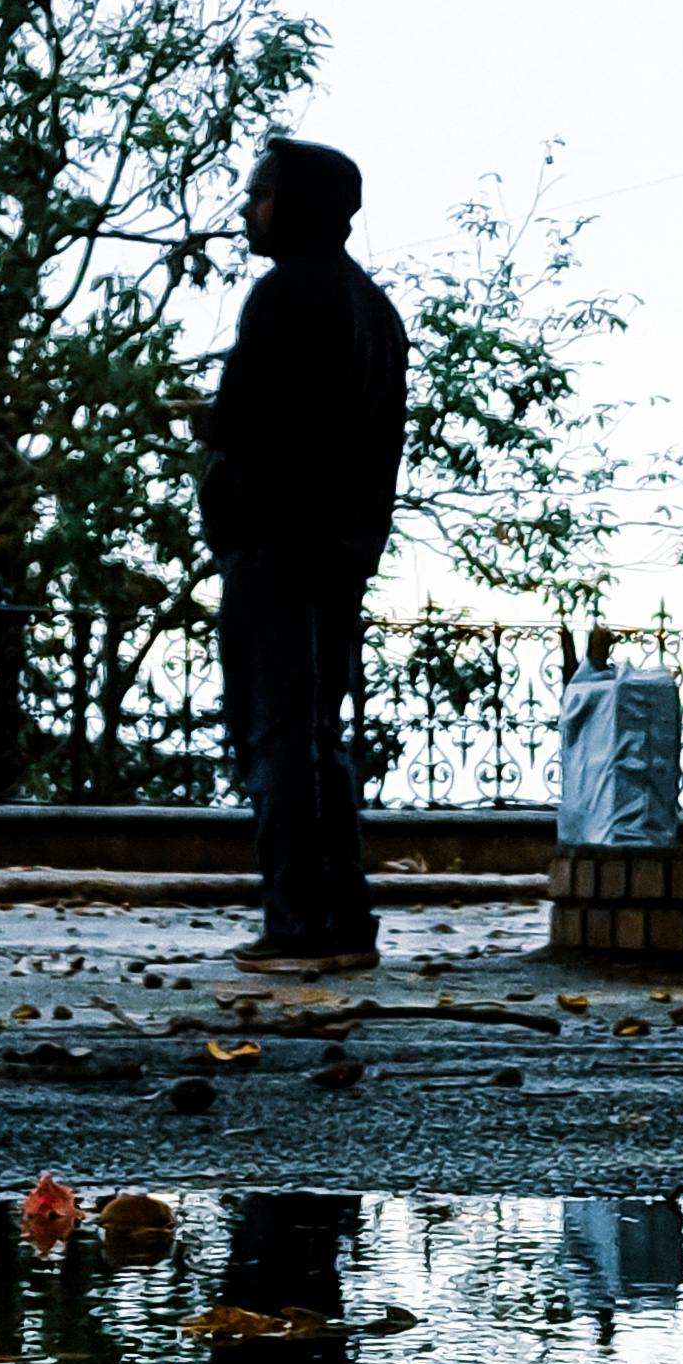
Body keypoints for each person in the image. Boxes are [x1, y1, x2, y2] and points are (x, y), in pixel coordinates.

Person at [201, 136, 408, 972]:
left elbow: (256, 421)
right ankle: (344, 922)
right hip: (341, 550)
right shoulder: (373, 307)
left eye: (261, 194)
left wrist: (207, 426)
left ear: (298, 205)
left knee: (276, 733)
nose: (250, 210)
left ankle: (295, 924)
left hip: (277, 547)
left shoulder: (284, 296)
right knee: (318, 733)